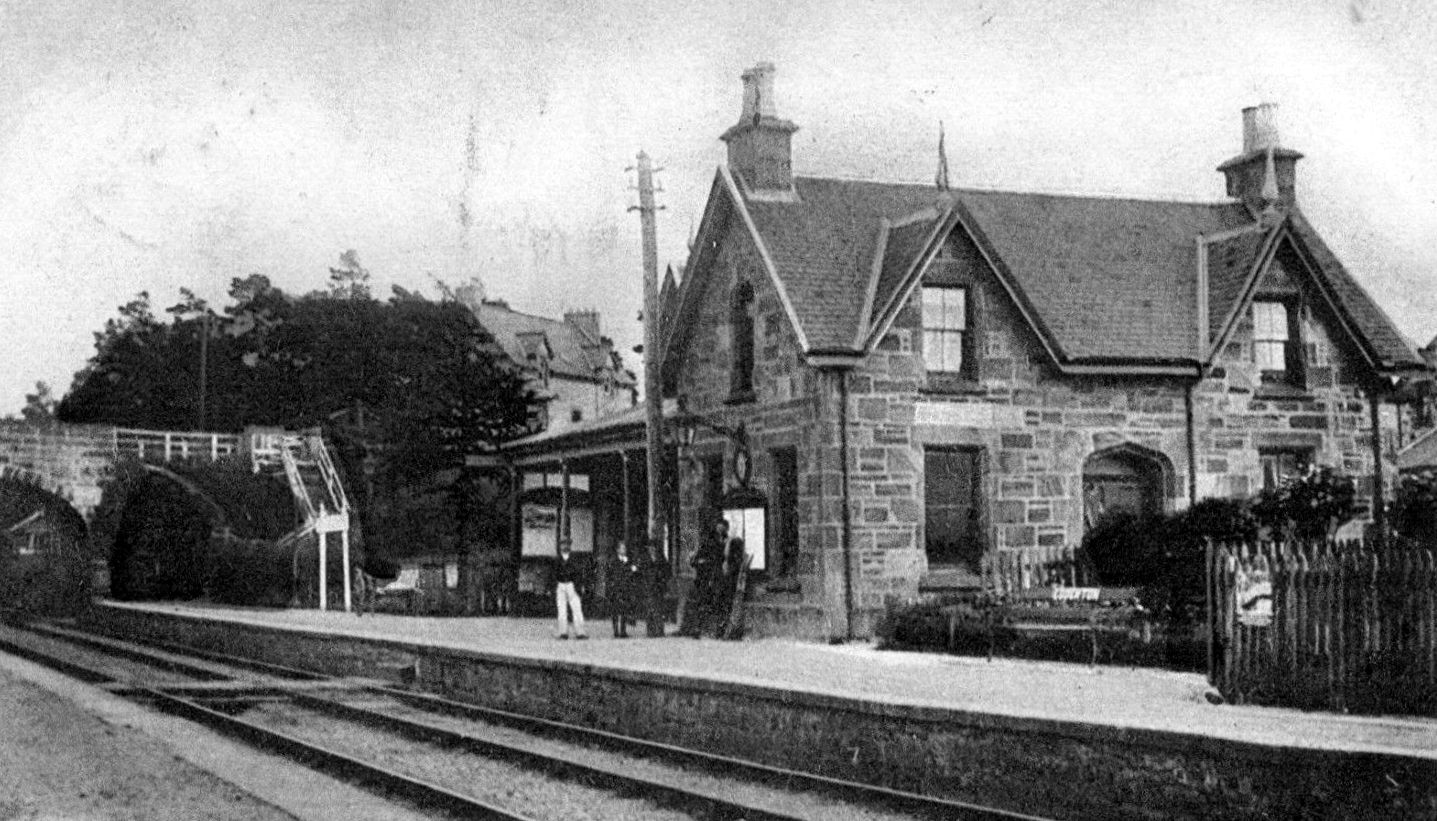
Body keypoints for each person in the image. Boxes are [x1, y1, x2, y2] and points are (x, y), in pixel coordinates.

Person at [680, 517, 728, 637]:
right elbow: (696, 561)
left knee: (714, 603)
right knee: (699, 603)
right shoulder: (708, 543)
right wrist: (701, 562)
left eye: (722, 528)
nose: (720, 529)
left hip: (715, 576)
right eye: (719, 527)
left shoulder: (724, 541)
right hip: (704, 578)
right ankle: (695, 628)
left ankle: (714, 630)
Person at [553, 539, 587, 639]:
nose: (565, 547)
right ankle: (563, 632)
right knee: (561, 609)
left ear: (570, 546)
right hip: (560, 584)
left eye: (567, 545)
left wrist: (580, 585)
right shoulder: (557, 560)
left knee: (577, 608)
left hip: (572, 584)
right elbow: (553, 574)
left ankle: (580, 632)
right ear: (560, 547)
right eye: (563, 545)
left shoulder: (574, 559)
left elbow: (579, 573)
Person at [607, 540, 639, 638]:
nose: (624, 550)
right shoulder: (614, 561)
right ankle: (616, 630)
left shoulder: (628, 560)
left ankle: (623, 630)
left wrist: (632, 569)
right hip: (616, 588)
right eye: (622, 548)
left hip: (625, 587)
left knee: (624, 609)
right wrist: (629, 569)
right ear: (617, 550)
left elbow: (631, 573)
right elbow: (616, 574)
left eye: (625, 548)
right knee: (615, 610)